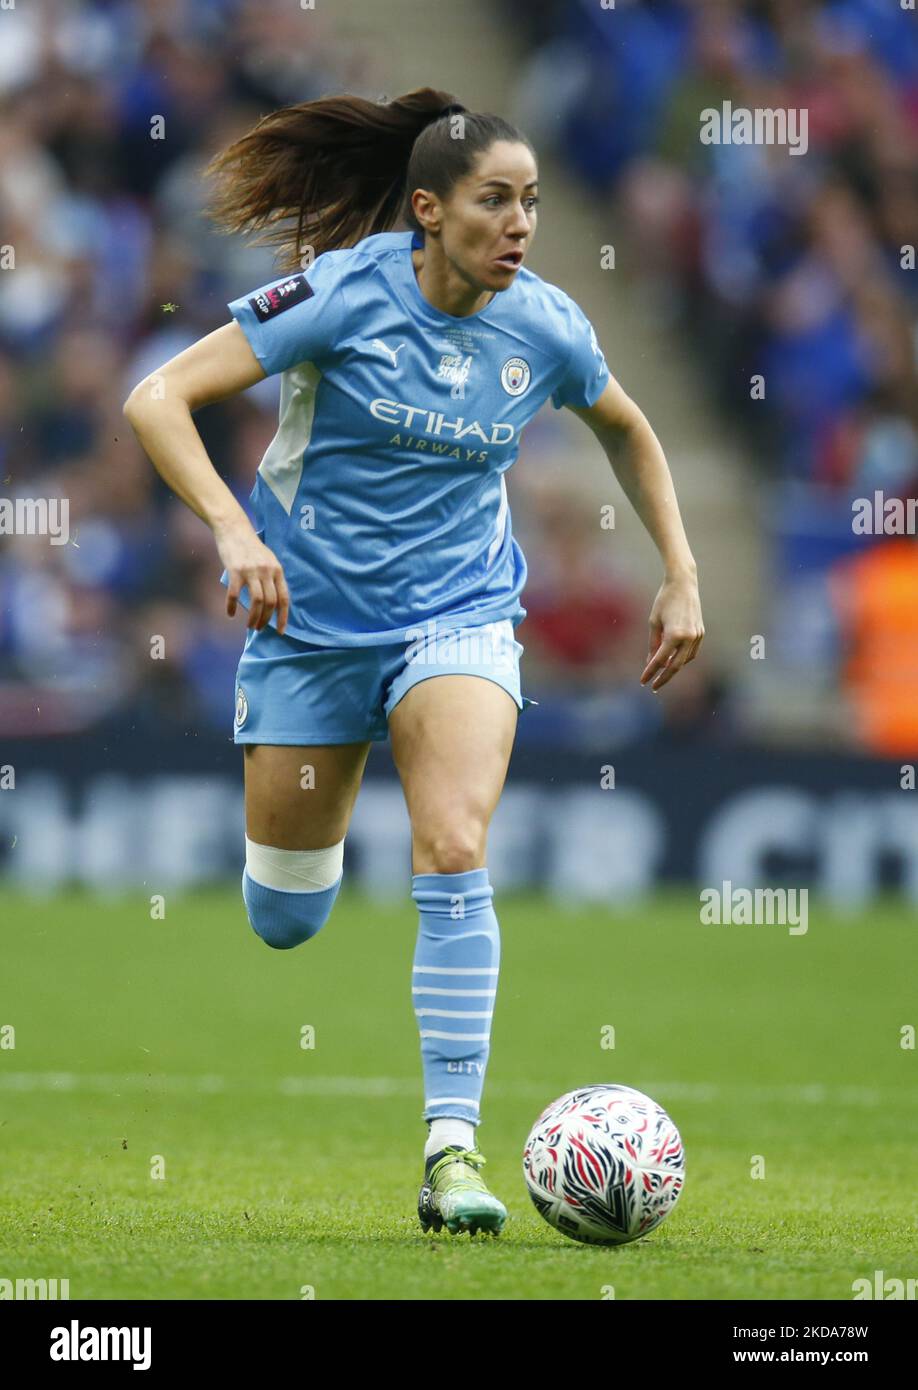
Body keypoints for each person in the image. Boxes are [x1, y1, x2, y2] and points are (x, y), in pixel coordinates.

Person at [123, 86, 704, 1238]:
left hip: (461, 615)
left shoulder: (543, 324)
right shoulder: (341, 293)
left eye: (533, 201)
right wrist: (234, 530)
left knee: (452, 845)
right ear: (430, 210)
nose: (522, 222)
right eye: (497, 200)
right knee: (284, 915)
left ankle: (451, 1152)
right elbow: (158, 398)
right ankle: (303, 880)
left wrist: (681, 572)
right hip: (308, 627)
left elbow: (629, 426)